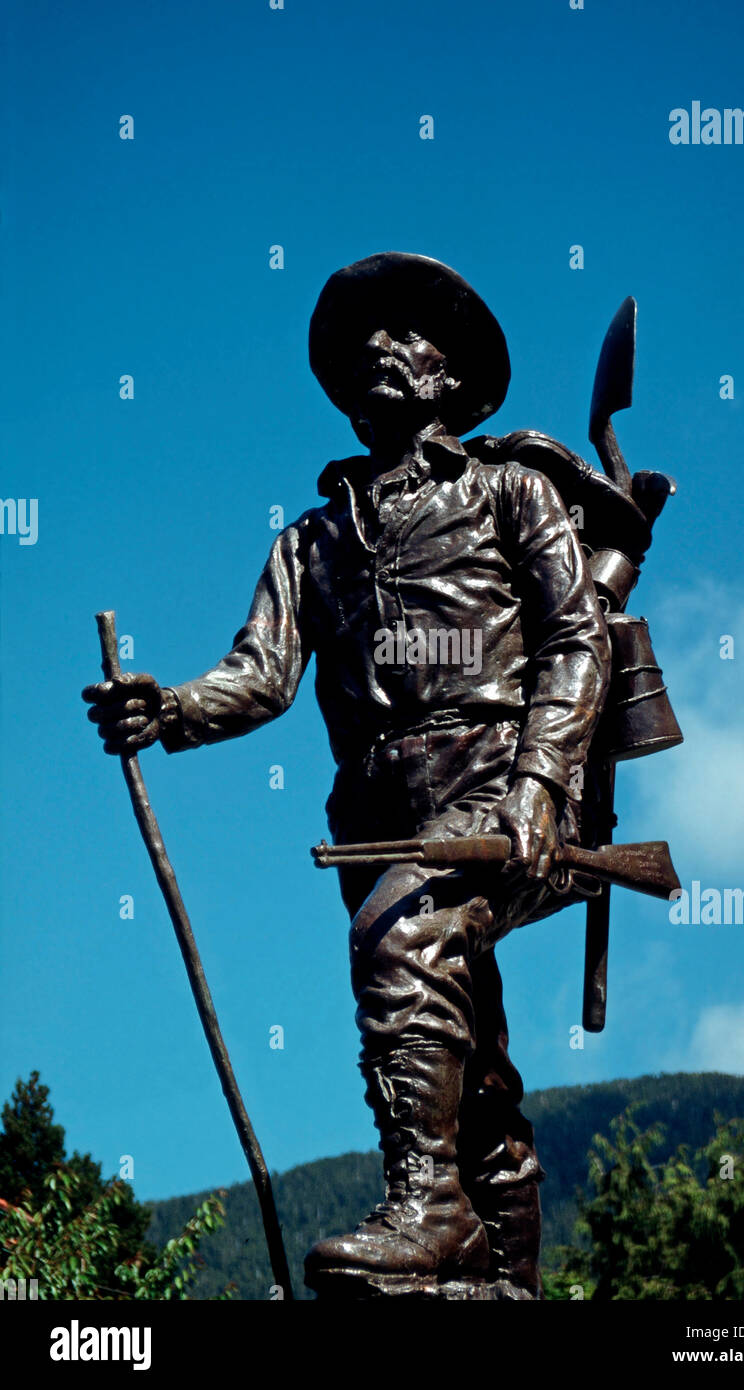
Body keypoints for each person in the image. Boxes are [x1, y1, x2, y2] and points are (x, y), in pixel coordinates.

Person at [83, 252, 611, 1299]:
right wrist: (172, 708)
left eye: (409, 333)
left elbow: (574, 639)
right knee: (471, 1054)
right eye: (363, 336)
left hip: (499, 794)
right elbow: (259, 676)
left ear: (451, 375)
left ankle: (428, 1205)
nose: (381, 346)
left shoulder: (512, 494)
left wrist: (541, 787)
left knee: (399, 939)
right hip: (376, 814)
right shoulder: (311, 541)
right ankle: (503, 1276)